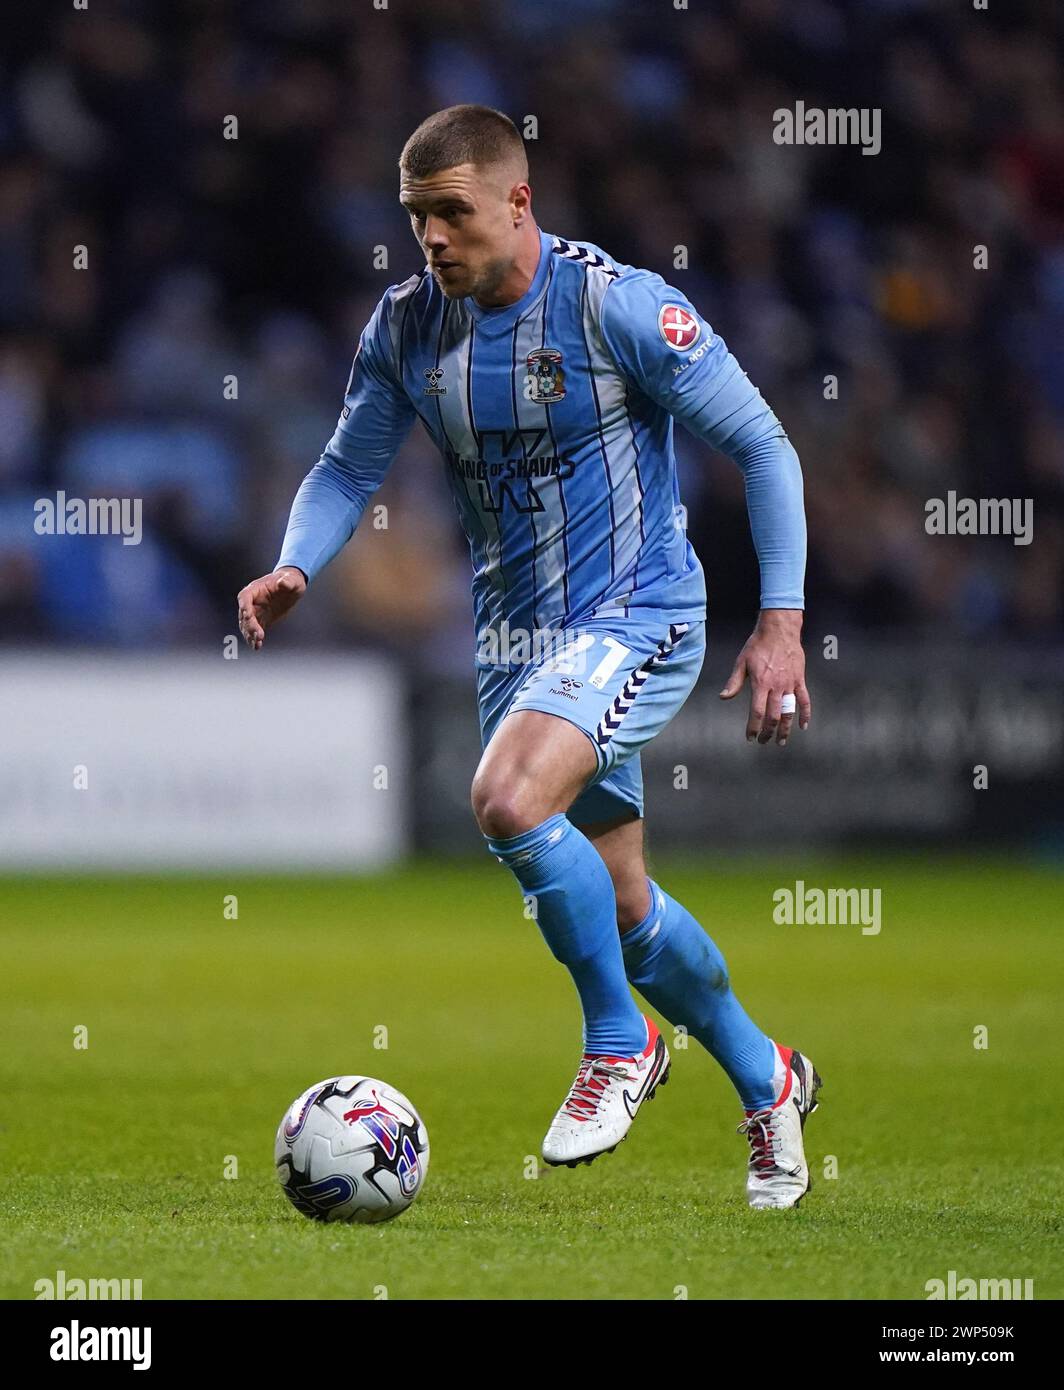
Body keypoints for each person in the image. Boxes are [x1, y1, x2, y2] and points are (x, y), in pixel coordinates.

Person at [238, 104, 821, 1209]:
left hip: (639, 613)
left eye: (453, 215)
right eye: (417, 222)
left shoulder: (617, 308)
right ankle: (768, 1077)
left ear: (518, 202)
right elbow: (344, 468)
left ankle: (618, 1043)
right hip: (518, 645)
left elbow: (761, 445)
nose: (434, 242)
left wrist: (781, 618)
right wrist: (296, 564)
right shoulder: (407, 327)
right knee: (627, 904)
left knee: (506, 799)